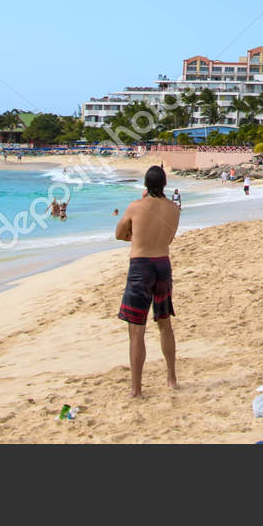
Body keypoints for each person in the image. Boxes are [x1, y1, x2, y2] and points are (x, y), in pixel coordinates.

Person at [114, 166, 181, 397]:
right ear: (164, 184)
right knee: (164, 324)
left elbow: (119, 233)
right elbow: (169, 237)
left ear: (145, 185)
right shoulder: (174, 209)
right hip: (162, 263)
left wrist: (136, 235)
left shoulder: (136, 206)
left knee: (136, 330)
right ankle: (171, 378)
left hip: (140, 266)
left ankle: (136, 389)